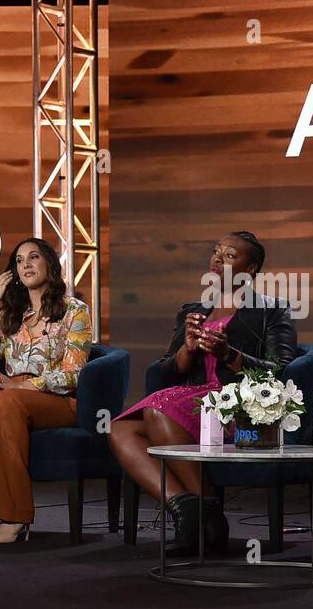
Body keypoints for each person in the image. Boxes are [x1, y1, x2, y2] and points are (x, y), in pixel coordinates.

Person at [109, 232, 297, 557]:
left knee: (157, 410)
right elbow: (165, 373)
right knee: (119, 428)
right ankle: (196, 513)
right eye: (215, 252)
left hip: (237, 404)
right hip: (190, 399)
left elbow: (280, 368)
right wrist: (187, 349)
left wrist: (230, 355)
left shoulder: (270, 310)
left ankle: (202, 519)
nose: (217, 260)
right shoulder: (192, 310)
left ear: (250, 269)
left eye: (229, 255)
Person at [0, 238, 92, 544]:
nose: (26, 264)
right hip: (12, 395)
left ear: (50, 266)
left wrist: (22, 384)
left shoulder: (74, 311)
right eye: (19, 260)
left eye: (34, 257)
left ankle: (14, 517)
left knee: (5, 402)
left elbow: (73, 376)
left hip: (57, 400)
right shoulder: (10, 313)